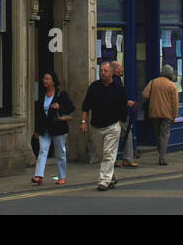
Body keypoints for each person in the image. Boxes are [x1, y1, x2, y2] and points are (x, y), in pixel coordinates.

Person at [81, 61, 128, 191]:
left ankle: (103, 181)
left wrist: (120, 122)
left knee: (108, 154)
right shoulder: (94, 87)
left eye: (105, 71)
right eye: (101, 70)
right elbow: (86, 106)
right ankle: (111, 177)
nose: (102, 73)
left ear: (112, 72)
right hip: (96, 126)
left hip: (112, 126)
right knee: (102, 155)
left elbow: (123, 107)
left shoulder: (118, 88)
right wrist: (83, 122)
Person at [32, 71, 75, 185]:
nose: (44, 81)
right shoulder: (42, 95)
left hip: (58, 128)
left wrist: (59, 107)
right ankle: (38, 176)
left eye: (47, 79)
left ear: (53, 81)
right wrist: (36, 130)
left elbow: (71, 108)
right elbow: (39, 114)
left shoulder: (61, 94)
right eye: (44, 79)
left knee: (60, 152)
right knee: (43, 150)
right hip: (44, 128)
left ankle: (62, 176)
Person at [141, 65, 181, 166]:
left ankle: (160, 153)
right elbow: (175, 103)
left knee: (158, 135)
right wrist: (174, 116)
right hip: (167, 114)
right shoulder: (172, 86)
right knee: (165, 135)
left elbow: (145, 95)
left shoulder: (153, 82)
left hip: (154, 113)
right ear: (170, 74)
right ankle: (162, 157)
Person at [111, 60, 138, 168]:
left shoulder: (117, 80)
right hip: (119, 113)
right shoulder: (115, 81)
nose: (122, 69)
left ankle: (116, 159)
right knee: (126, 133)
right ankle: (127, 158)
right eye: (120, 67)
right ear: (115, 69)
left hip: (118, 112)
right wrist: (127, 102)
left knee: (118, 135)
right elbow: (116, 97)